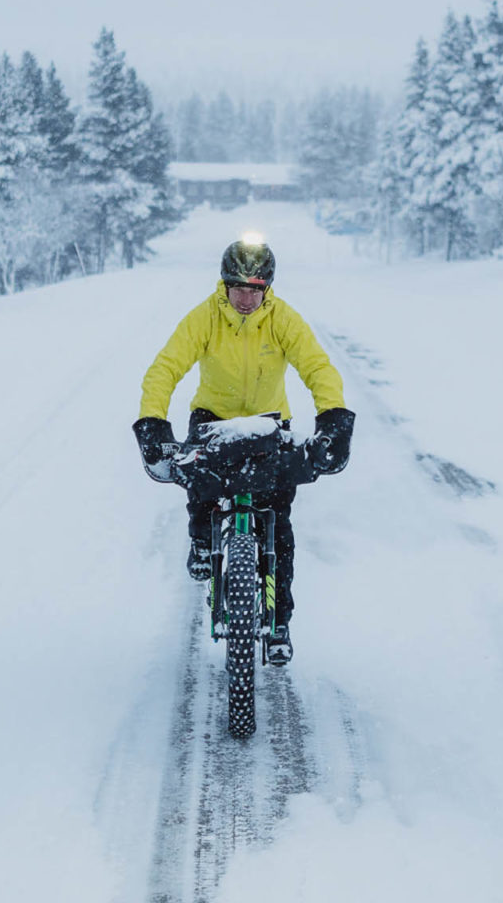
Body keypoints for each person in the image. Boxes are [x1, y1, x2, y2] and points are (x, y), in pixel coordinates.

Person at [132, 236, 355, 665]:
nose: (246, 298)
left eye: (255, 289)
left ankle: (280, 625)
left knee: (280, 528)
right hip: (213, 421)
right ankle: (201, 540)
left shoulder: (284, 319)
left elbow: (317, 368)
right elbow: (165, 369)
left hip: (269, 424)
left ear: (267, 287)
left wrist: (333, 419)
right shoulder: (203, 318)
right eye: (238, 289)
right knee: (201, 491)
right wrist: (154, 423)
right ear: (224, 285)